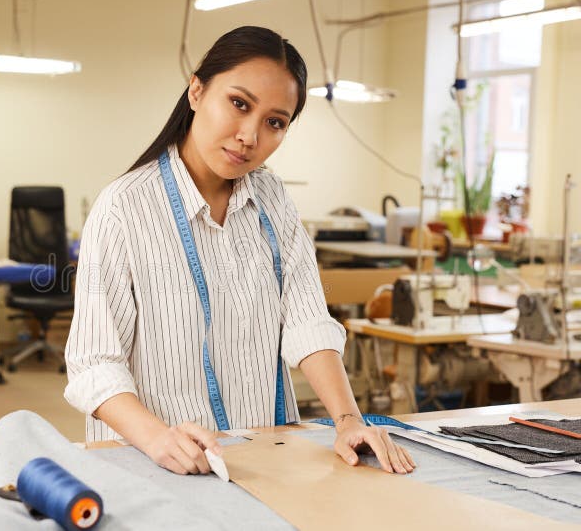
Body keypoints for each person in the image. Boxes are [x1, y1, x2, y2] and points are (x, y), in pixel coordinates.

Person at [64, 25, 416, 476]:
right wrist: (158, 439)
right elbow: (94, 362)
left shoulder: (271, 198)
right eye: (239, 104)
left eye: (274, 122)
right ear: (196, 91)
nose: (250, 136)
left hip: (264, 458)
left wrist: (348, 420)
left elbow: (307, 318)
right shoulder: (124, 208)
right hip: (156, 462)